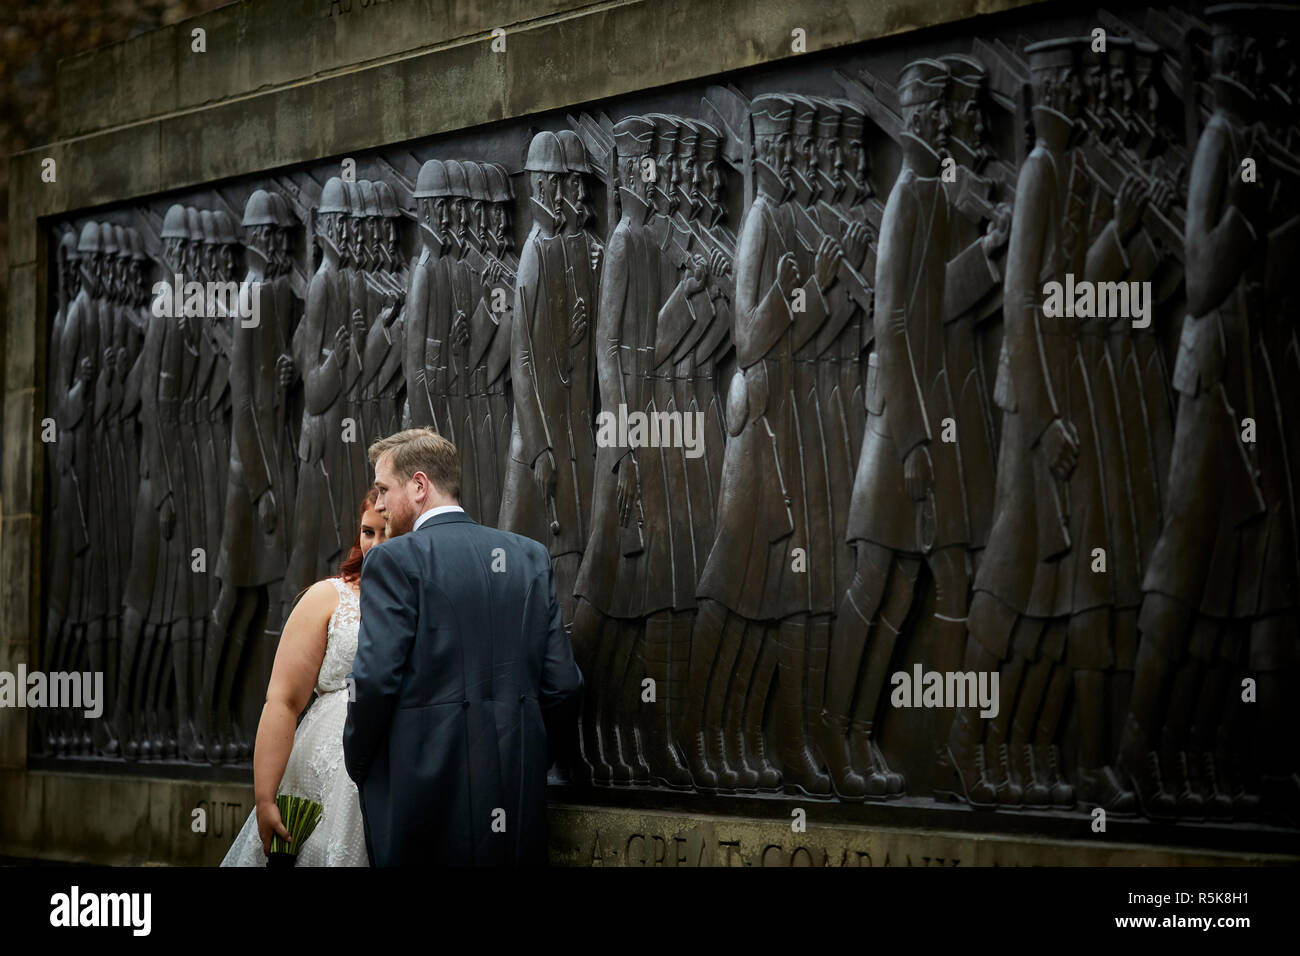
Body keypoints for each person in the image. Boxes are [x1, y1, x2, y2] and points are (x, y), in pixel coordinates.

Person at [344, 428, 583, 866]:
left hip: (423, 795)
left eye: (383, 489)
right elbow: (564, 684)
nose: (378, 504)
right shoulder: (529, 556)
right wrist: (524, 750)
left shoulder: (393, 560)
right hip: (516, 790)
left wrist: (358, 763)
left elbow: (374, 681)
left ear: (419, 485)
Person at [221, 490, 387, 866]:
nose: (375, 545)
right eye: (367, 532)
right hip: (321, 769)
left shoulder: (422, 598)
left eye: (387, 532)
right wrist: (264, 799)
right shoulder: (327, 597)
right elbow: (283, 700)